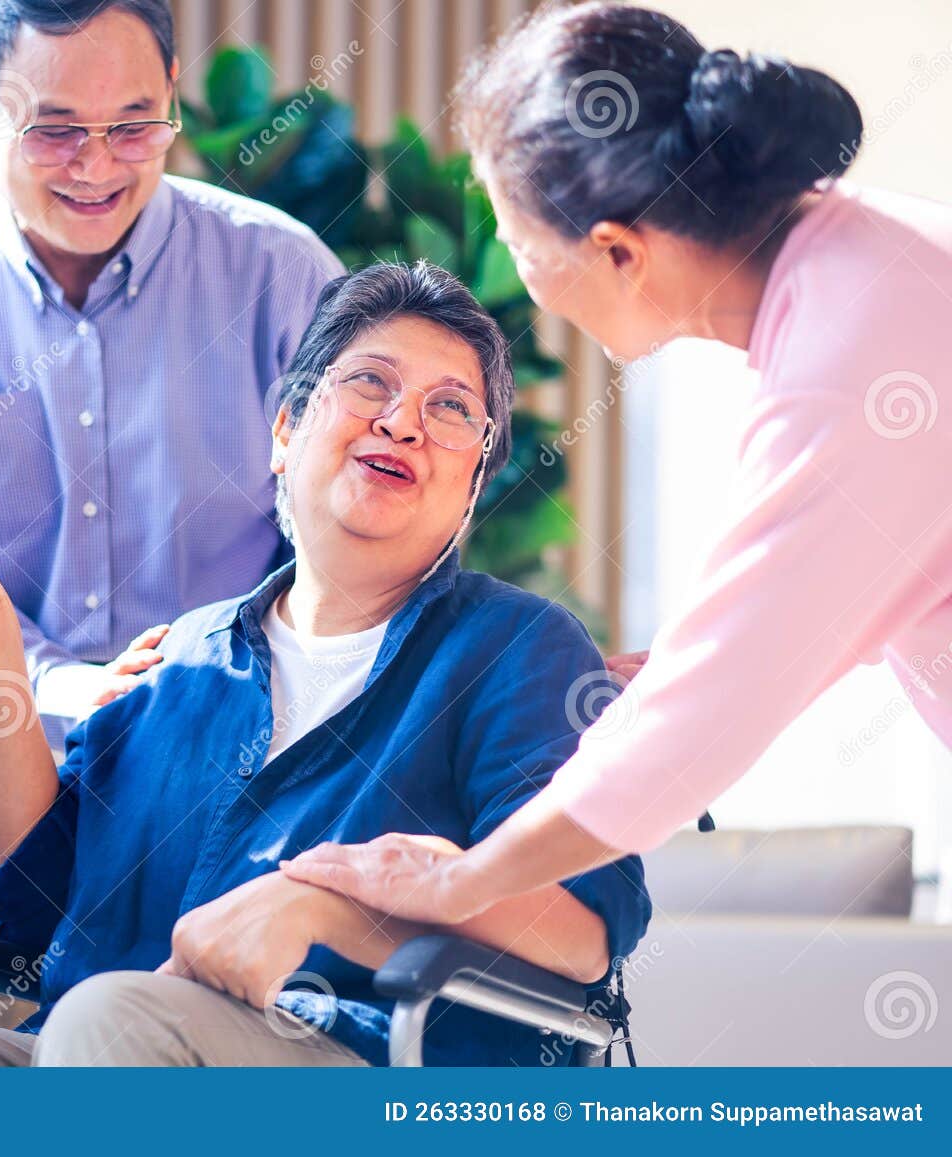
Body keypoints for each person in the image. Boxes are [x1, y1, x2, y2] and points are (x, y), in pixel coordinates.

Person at [0, 262, 650, 1068]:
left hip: (359, 1055)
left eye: (450, 409)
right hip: (104, 1042)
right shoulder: (185, 653)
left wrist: (329, 909)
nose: (403, 422)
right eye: (370, 382)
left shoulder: (518, 651)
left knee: (108, 1023)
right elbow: (30, 896)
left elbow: (580, 931)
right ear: (287, 430)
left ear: (472, 486)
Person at [271, 3, 952, 940]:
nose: (522, 291)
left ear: (619, 251)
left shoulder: (854, 359)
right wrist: (682, 666)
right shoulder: (858, 263)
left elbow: (704, 720)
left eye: (516, 247)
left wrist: (464, 880)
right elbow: (812, 599)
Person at [0, 0, 342, 1024]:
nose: (98, 164)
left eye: (134, 124)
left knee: (178, 1050)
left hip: (244, 754)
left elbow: (352, 540)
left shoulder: (281, 276)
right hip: (8, 738)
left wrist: (222, 678)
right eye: (55, 127)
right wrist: (59, 687)